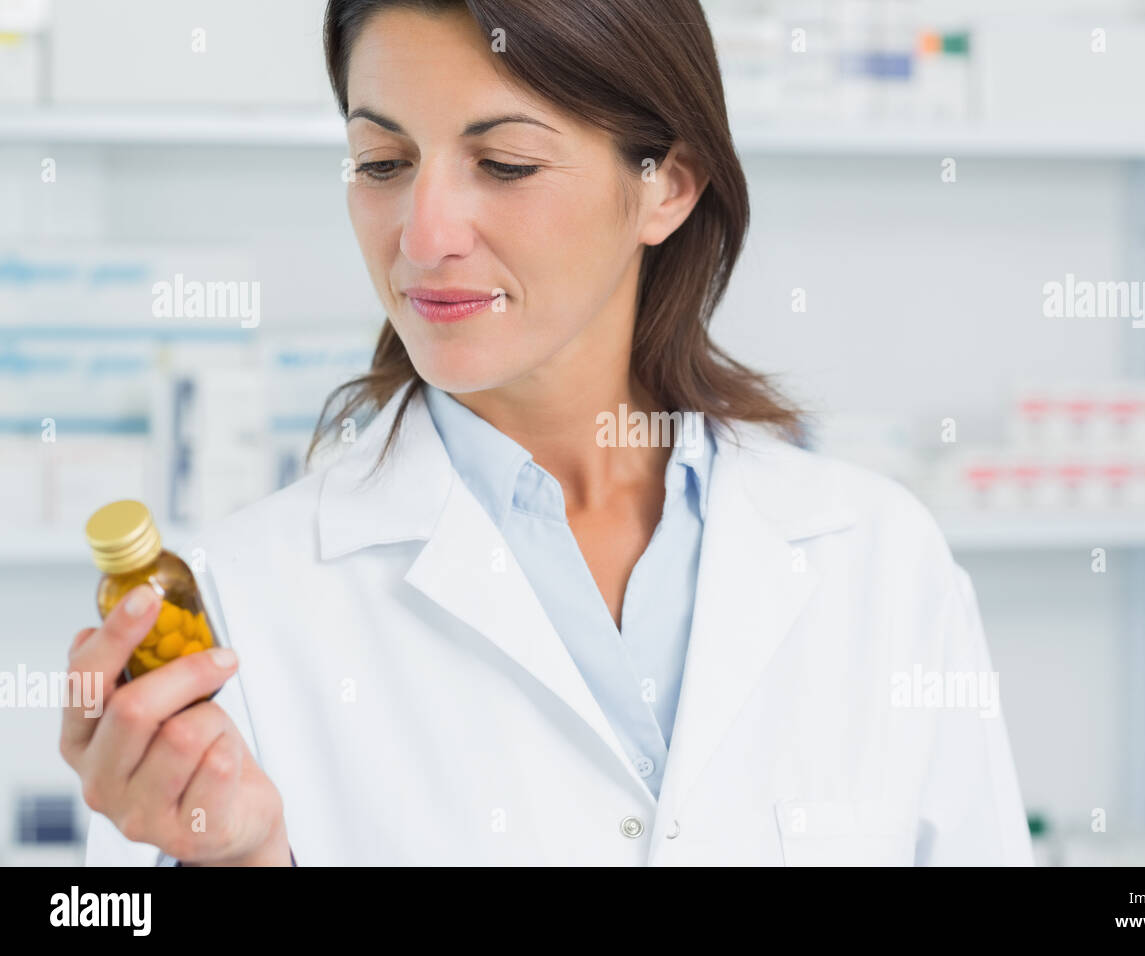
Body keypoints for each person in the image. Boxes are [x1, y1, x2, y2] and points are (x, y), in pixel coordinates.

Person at [65, 0, 1033, 866]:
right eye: (382, 163)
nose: (423, 233)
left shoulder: (881, 565)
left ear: (667, 186)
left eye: (505, 163)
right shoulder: (242, 606)